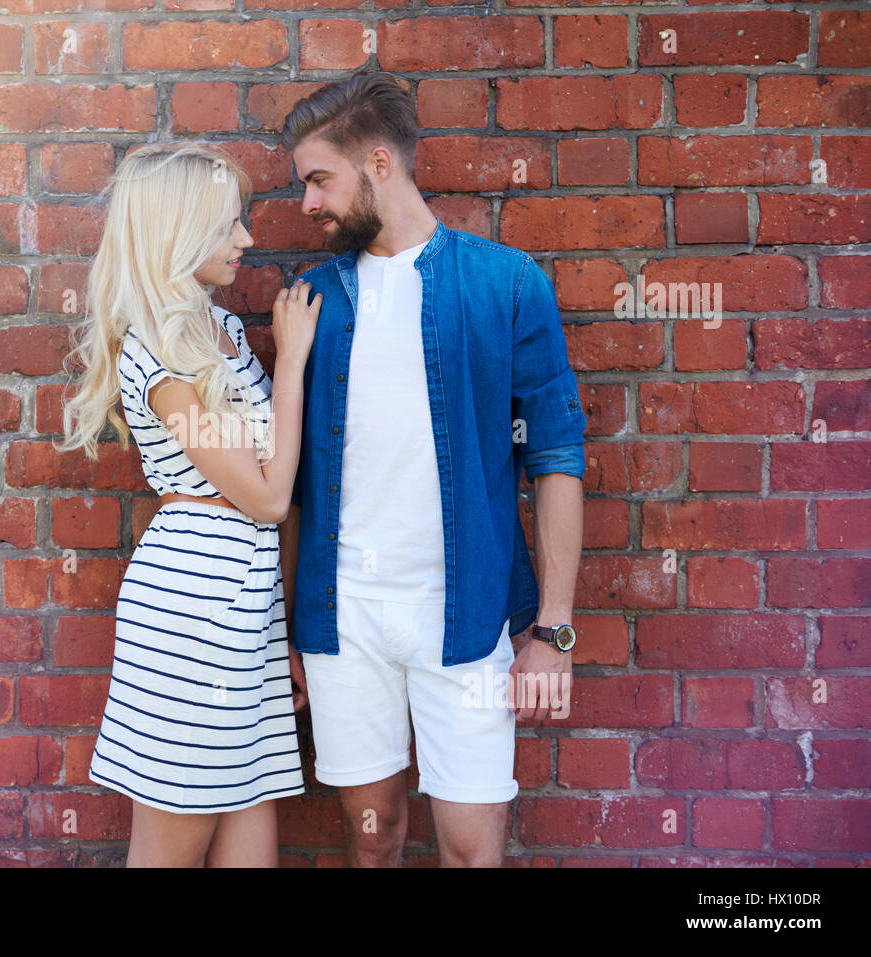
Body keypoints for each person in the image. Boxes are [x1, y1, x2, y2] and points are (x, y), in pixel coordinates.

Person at [276, 70, 588, 867]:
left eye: (319, 180)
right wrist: (293, 627)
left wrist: (552, 627)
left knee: (472, 847)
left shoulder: (505, 283)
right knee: (370, 837)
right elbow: (288, 486)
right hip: (345, 618)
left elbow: (555, 456)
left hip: (469, 612)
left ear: (379, 164)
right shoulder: (311, 301)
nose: (308, 204)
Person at [59, 143, 322, 867]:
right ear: (176, 234)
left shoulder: (226, 335)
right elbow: (268, 494)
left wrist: (286, 628)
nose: (245, 240)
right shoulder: (162, 356)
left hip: (250, 620)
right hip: (191, 622)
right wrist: (293, 363)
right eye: (226, 225)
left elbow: (278, 487)